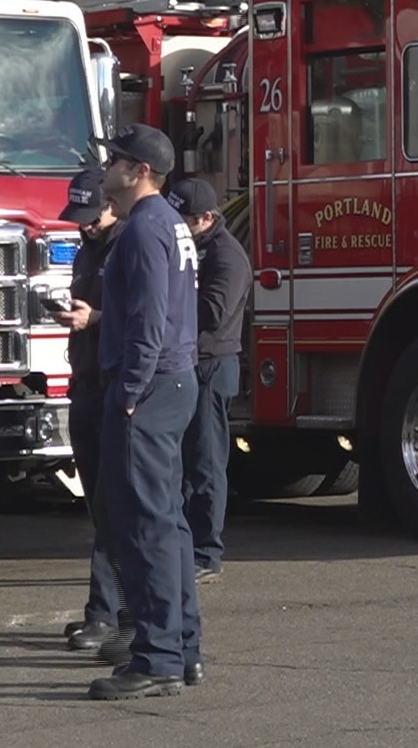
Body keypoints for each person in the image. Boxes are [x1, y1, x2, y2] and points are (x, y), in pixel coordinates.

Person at [87, 124, 203, 701]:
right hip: (173, 381)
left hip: (150, 388)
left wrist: (130, 390)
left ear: (140, 172)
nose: (107, 168)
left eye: (116, 161)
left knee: (146, 525)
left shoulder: (142, 230)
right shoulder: (170, 224)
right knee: (170, 522)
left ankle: (157, 656)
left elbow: (150, 321)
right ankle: (183, 648)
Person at [54, 169, 127, 654]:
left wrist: (94, 318)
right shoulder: (87, 249)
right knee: (99, 508)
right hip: (85, 384)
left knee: (112, 504)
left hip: (114, 388)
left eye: (92, 216)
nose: (85, 226)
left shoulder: (130, 247)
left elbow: (145, 314)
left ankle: (106, 614)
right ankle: (113, 611)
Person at [167, 177, 252, 587]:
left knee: (206, 461)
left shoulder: (227, 257)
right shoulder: (192, 246)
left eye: (184, 219)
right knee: (183, 462)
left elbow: (212, 312)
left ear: (206, 217)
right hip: (189, 364)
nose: (178, 225)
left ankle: (207, 552)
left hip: (213, 367)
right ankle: (185, 548)